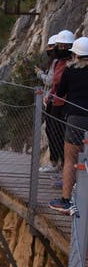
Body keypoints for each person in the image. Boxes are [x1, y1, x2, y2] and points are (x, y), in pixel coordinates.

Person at [49, 35, 88, 213]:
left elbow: (61, 91)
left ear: (76, 56)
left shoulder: (70, 71)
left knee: (71, 160)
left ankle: (66, 201)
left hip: (75, 118)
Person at [40, 30, 75, 174]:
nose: (59, 48)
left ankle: (63, 166)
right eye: (59, 45)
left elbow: (64, 84)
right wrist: (51, 95)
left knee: (62, 134)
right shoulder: (58, 62)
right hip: (56, 102)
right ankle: (55, 162)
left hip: (66, 104)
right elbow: (55, 84)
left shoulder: (72, 64)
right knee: (52, 131)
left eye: (63, 45)